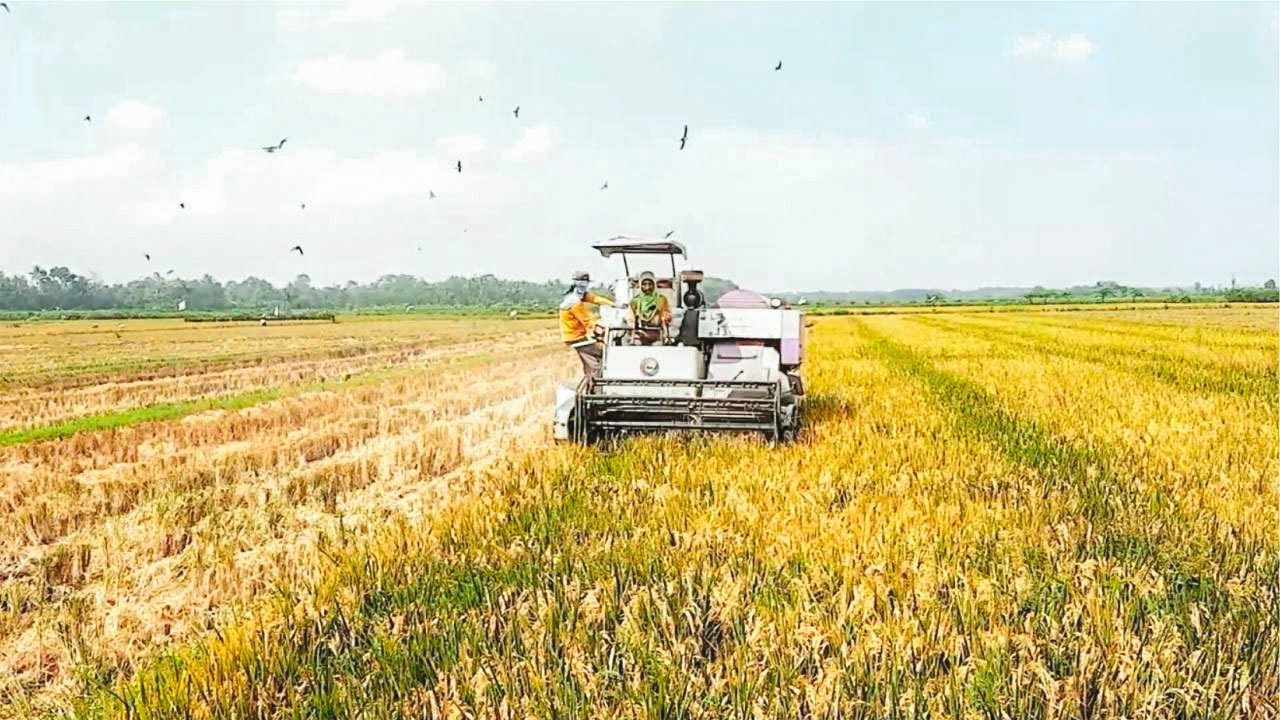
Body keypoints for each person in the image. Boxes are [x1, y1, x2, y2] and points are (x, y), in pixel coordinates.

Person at [559, 270, 613, 377]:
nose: (584, 285)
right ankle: (598, 381)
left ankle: (591, 377)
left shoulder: (578, 295)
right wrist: (600, 329)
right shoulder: (574, 302)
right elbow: (587, 321)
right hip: (575, 337)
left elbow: (595, 299)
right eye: (582, 282)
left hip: (574, 336)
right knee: (604, 353)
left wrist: (615, 305)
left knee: (589, 359)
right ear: (576, 283)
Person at [629, 271, 672, 345]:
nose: (647, 287)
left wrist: (666, 318)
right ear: (640, 285)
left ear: (654, 285)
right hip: (639, 335)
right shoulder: (634, 301)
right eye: (644, 284)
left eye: (650, 284)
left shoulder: (661, 299)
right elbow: (630, 319)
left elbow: (666, 315)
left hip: (657, 335)